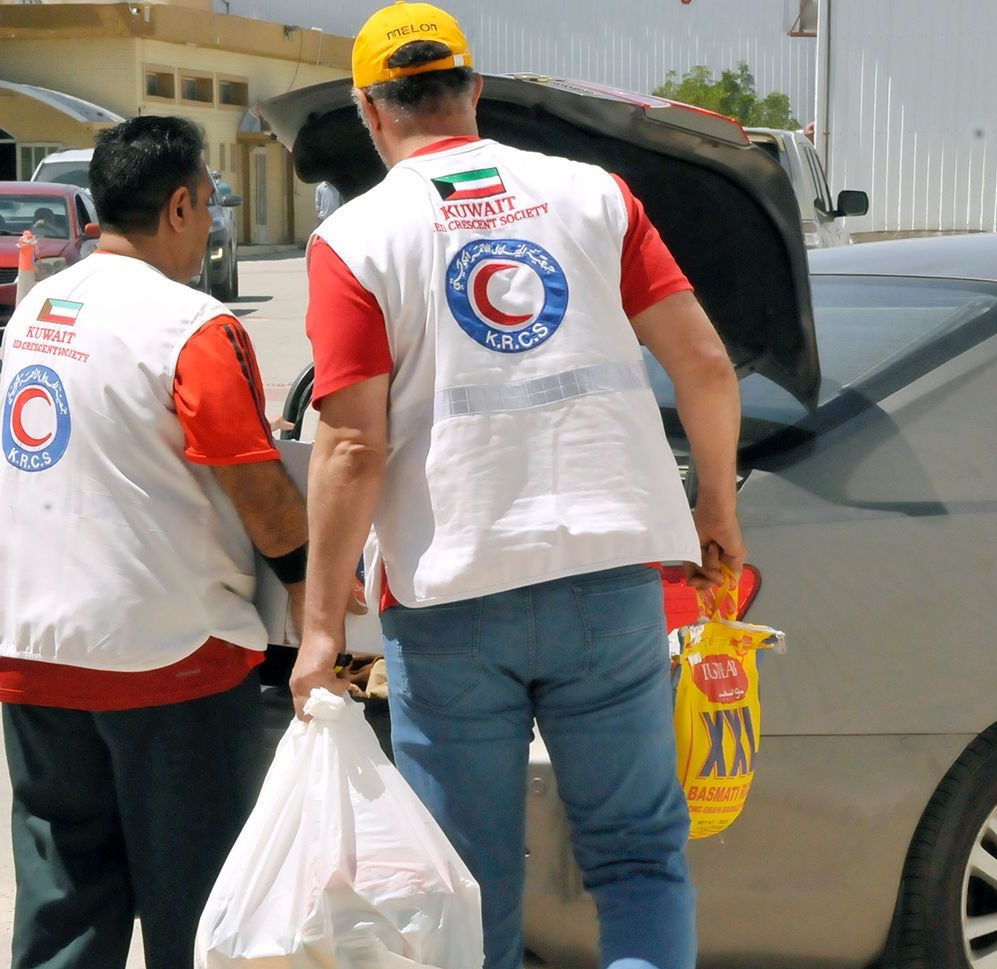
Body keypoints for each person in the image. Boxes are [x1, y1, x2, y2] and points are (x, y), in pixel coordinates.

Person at [288, 4, 745, 969]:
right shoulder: (594, 196)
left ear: (372, 111)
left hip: (453, 598)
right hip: (612, 576)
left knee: (465, 885)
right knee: (636, 861)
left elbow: (348, 448)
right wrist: (715, 510)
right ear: (473, 92)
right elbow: (704, 364)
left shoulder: (359, 238)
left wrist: (322, 627)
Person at [0, 115, 309, 969]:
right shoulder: (191, 324)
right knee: (196, 905)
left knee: (65, 905)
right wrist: (310, 579)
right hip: (169, 656)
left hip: (33, 646)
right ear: (184, 205)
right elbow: (257, 487)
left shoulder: (40, 305)